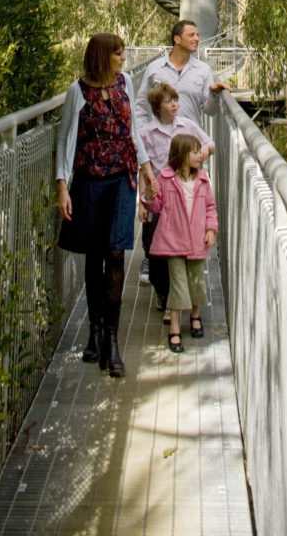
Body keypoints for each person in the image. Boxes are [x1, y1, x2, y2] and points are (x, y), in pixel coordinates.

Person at [56, 32, 157, 379]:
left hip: (121, 181)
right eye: (118, 54)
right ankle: (94, 331)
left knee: (116, 254)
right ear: (102, 57)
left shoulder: (125, 82)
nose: (123, 59)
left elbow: (132, 131)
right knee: (95, 255)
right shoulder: (77, 92)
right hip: (88, 183)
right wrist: (62, 186)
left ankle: (112, 341)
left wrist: (147, 170)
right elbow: (67, 139)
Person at [138, 84, 214, 317]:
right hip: (160, 194)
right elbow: (143, 167)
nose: (174, 105)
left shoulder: (187, 126)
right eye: (169, 101)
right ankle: (162, 291)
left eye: (175, 100)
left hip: (184, 194)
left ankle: (174, 300)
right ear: (157, 107)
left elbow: (209, 143)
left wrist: (204, 152)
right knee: (154, 246)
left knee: (179, 248)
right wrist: (142, 202)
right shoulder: (146, 133)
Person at [146, 132, 218, 353]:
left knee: (196, 279)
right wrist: (148, 195)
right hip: (173, 239)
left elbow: (210, 208)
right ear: (181, 155)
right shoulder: (165, 178)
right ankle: (175, 328)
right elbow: (155, 207)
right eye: (195, 152)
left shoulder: (203, 180)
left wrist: (211, 228)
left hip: (197, 239)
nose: (200, 156)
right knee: (177, 283)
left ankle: (195, 316)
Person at [134, 19, 230, 130]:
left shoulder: (204, 69)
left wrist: (214, 93)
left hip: (191, 141)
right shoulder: (155, 68)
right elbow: (141, 106)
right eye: (191, 35)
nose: (197, 39)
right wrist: (143, 136)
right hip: (160, 141)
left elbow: (210, 111)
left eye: (197, 35)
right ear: (177, 39)